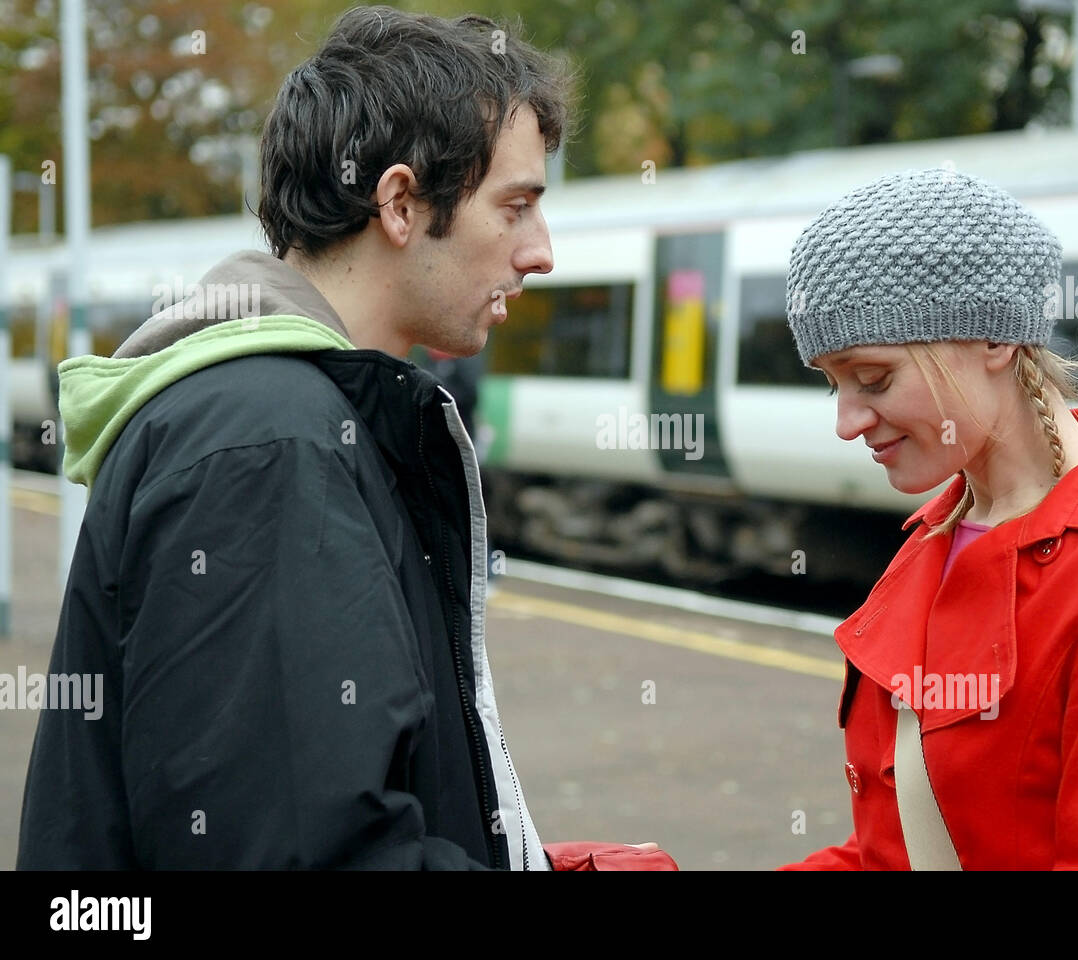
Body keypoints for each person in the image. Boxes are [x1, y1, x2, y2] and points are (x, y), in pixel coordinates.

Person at [19, 6, 674, 872]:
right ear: (400, 202)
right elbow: (303, 851)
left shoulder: (291, 418)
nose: (540, 252)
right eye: (515, 207)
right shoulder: (271, 448)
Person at [778, 168, 1078, 870]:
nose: (847, 422)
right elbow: (892, 852)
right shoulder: (941, 531)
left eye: (873, 378)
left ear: (993, 340)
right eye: (832, 383)